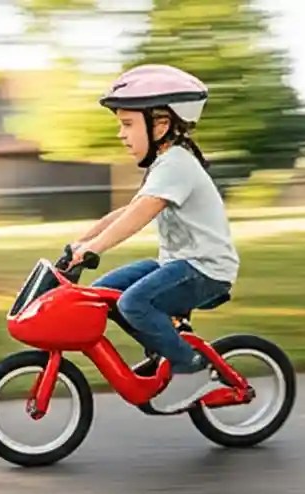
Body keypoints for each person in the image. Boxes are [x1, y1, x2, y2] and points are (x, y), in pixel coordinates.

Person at [68, 64, 239, 413]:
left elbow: (139, 216)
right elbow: (124, 212)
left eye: (128, 124)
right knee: (105, 294)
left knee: (133, 303)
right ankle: (167, 348)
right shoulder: (163, 164)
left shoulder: (177, 163)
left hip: (205, 269)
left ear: (160, 125)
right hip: (178, 264)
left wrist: (95, 248)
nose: (121, 134)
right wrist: (80, 243)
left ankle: (189, 368)